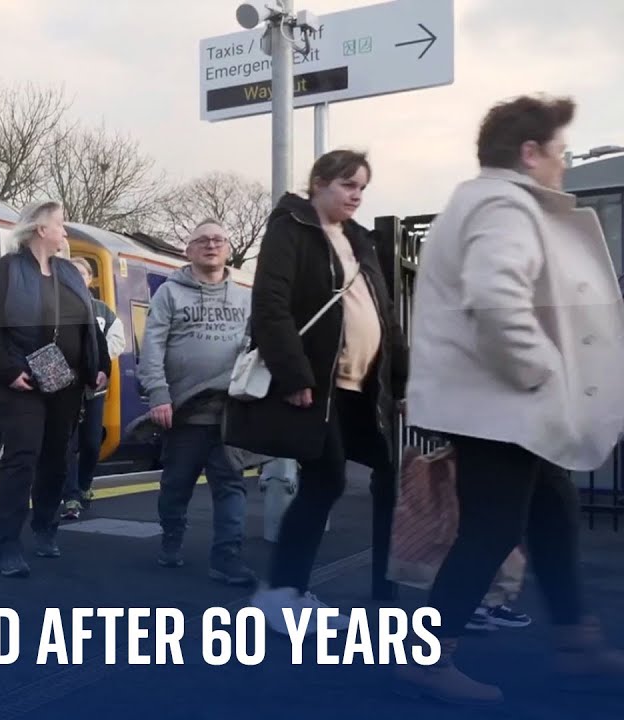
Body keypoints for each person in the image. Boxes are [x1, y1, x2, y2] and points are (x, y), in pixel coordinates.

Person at [397, 95, 624, 704]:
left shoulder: (476, 200)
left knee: (553, 513)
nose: (565, 164)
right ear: (530, 153)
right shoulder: (503, 202)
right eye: (560, 152)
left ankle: (578, 639)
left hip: (500, 403)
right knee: (493, 528)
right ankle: (426, 656)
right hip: (500, 404)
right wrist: (540, 370)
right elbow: (496, 297)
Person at [224, 149, 409, 632]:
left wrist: (400, 381)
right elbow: (270, 305)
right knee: (326, 479)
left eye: (363, 188)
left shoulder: (359, 241)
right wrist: (295, 376)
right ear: (320, 183)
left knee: (385, 473)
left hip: (360, 389)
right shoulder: (291, 228)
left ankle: (312, 592)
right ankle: (282, 594)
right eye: (348, 185)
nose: (357, 196)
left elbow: (385, 316)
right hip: (318, 386)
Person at [0, 201, 110, 577]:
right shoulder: (8, 269)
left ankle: (45, 527)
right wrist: (8, 369)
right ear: (41, 229)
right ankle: (7, 545)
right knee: (22, 457)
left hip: (64, 381)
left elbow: (91, 324)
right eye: (61, 226)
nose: (65, 233)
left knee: (56, 458)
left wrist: (99, 366)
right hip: (22, 379)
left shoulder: (68, 272)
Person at [135, 221, 257, 586]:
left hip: (229, 412)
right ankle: (171, 538)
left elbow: (257, 349)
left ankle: (227, 557)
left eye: (218, 239)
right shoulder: (169, 294)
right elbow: (152, 348)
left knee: (231, 485)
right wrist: (158, 395)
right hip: (183, 411)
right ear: (188, 251)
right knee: (176, 485)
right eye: (201, 240)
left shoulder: (245, 298)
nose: (211, 245)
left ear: (228, 249)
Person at [61, 257, 125, 520]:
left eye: (81, 274)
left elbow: (117, 341)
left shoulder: (103, 311)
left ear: (89, 279)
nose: (77, 278)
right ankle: (71, 497)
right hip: (65, 389)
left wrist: (98, 366)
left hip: (94, 389)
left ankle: (85, 485)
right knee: (67, 443)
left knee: (90, 442)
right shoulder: (57, 307)